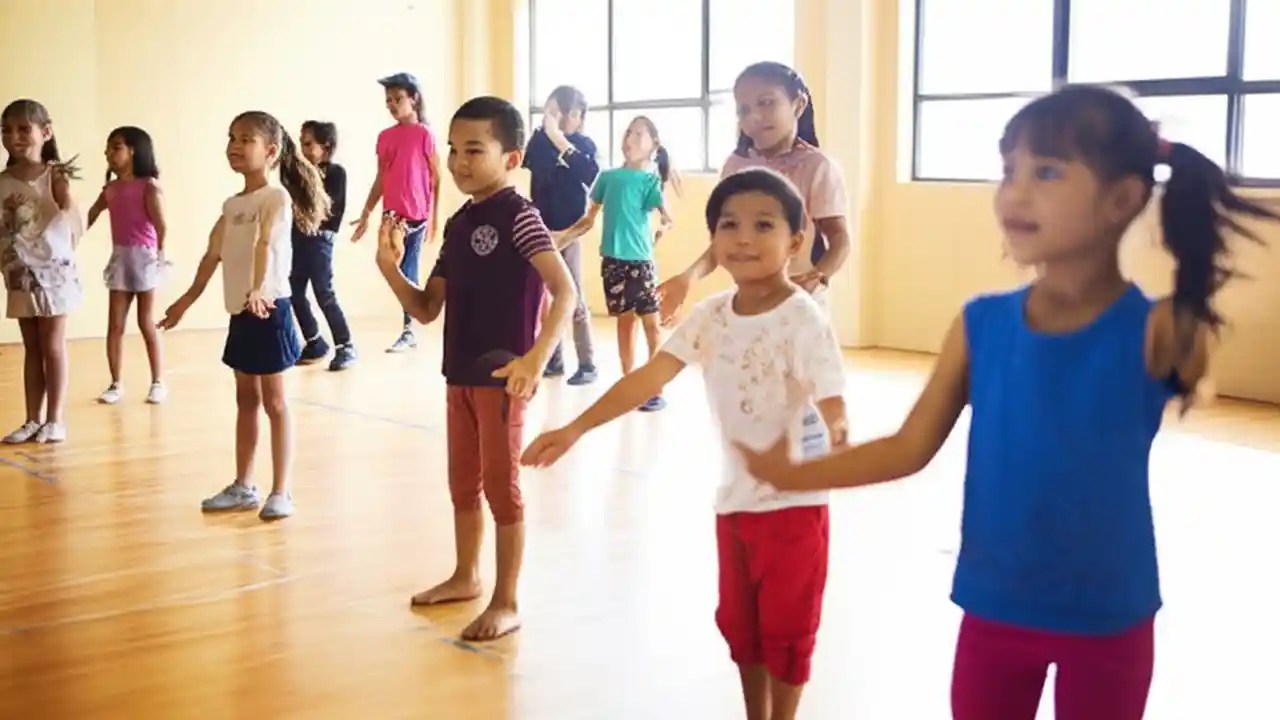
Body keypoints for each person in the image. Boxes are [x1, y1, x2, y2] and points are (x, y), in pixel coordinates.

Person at [736, 85, 1280, 720]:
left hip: (1110, 614)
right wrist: (795, 473)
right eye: (1008, 170)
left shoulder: (1162, 332)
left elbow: (1193, 370)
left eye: (1046, 171)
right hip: (994, 606)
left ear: (1123, 200)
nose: (1015, 191)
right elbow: (909, 448)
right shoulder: (980, 325)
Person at [524, 168, 847, 720]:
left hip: (794, 511)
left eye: (763, 225)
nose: (743, 237)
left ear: (796, 242)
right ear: (714, 241)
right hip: (736, 506)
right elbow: (648, 379)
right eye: (729, 225)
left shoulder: (802, 319)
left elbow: (832, 404)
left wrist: (836, 447)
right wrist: (575, 427)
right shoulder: (711, 316)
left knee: (788, 633)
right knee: (742, 630)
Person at [375, 95, 575, 641]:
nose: (459, 162)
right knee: (462, 483)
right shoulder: (461, 222)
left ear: (511, 158)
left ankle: (506, 600)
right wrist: (390, 268)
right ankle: (466, 576)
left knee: (500, 487)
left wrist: (535, 359)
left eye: (474, 150)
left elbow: (565, 291)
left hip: (501, 377)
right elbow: (426, 307)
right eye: (454, 150)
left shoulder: (520, 216)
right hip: (457, 373)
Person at [158, 111, 331, 522]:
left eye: (246, 139)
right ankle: (243, 485)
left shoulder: (275, 198)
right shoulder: (232, 204)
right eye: (231, 138)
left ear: (270, 151)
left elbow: (266, 244)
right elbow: (211, 256)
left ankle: (281, 490)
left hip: (269, 308)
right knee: (245, 400)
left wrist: (258, 288)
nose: (234, 145)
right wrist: (185, 300)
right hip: (242, 312)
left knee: (274, 402)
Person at [658, 61, 850, 322]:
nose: (754, 117)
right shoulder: (736, 165)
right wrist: (687, 278)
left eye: (767, 103)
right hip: (749, 300)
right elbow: (723, 241)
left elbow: (840, 241)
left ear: (798, 104)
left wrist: (818, 277)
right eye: (744, 110)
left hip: (801, 300)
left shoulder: (817, 167)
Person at [554, 116, 677, 411]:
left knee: (652, 326)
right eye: (628, 133)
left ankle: (654, 386)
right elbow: (588, 220)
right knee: (625, 324)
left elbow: (667, 217)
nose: (630, 139)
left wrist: (662, 231)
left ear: (653, 145)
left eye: (638, 134)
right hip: (613, 263)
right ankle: (629, 382)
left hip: (642, 263)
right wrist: (560, 238)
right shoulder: (607, 178)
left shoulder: (649, 181)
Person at [0, 99, 84, 444]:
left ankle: (55, 419)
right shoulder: (3, 180)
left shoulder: (55, 173)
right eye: (7, 130)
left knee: (52, 346)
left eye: (24, 129)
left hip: (53, 272)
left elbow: (68, 211)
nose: (14, 136)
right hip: (20, 274)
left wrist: (51, 227)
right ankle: (32, 418)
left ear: (45, 132)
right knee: (31, 348)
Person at [351, 72, 441, 353]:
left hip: (417, 215)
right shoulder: (385, 137)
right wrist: (366, 211)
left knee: (408, 268)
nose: (392, 105)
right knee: (395, 265)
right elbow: (381, 177)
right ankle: (410, 326)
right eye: (388, 100)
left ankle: (409, 329)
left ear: (413, 98)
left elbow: (436, 177)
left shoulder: (425, 134)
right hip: (393, 215)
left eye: (398, 99)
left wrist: (434, 218)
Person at [523, 85, 600, 385]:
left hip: (569, 230)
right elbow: (529, 161)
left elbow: (590, 174)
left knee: (573, 295)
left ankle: (587, 363)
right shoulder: (540, 142)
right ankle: (553, 361)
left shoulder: (584, 145)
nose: (552, 118)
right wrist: (546, 134)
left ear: (577, 115)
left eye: (559, 112)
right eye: (549, 112)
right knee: (543, 297)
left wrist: (558, 137)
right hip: (541, 229)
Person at [87, 126, 168, 404]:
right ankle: (115, 383)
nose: (110, 154)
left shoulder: (149, 186)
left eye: (116, 147)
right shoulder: (110, 189)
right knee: (115, 325)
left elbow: (161, 225)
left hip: (144, 258)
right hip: (121, 258)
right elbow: (92, 212)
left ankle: (158, 381)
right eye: (108, 149)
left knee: (146, 322)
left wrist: (159, 256)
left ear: (133, 150)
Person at [293, 120, 356, 371]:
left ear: (326, 147)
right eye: (301, 143)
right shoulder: (298, 173)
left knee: (324, 292)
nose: (303, 149)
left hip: (319, 240)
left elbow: (329, 208)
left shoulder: (336, 173)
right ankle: (314, 342)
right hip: (298, 238)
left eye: (309, 144)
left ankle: (346, 345)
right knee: (293, 291)